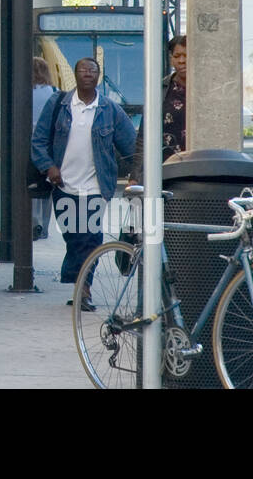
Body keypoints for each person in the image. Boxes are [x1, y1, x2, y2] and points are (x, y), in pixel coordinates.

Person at [31, 56, 136, 311]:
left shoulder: (110, 110)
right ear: (75, 75)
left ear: (98, 76)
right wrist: (49, 167)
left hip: (96, 188)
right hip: (63, 186)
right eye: (82, 70)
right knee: (74, 237)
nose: (87, 73)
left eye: (92, 70)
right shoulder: (59, 105)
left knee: (90, 237)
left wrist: (139, 173)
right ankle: (74, 275)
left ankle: (84, 289)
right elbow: (38, 140)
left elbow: (132, 146)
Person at [129, 35, 187, 182]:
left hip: (198, 167)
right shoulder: (160, 89)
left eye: (186, 55)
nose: (181, 61)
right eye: (177, 56)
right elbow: (143, 136)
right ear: (171, 58)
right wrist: (135, 175)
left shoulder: (206, 90)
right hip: (165, 170)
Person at [30, 56, 59, 240]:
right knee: (48, 188)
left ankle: (35, 222)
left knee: (32, 186)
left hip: (29, 145)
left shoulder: (24, 93)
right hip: (51, 146)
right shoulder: (55, 93)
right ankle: (45, 226)